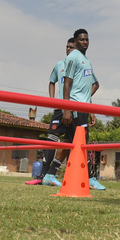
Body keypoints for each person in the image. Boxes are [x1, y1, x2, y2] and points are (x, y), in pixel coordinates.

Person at [43, 31, 102, 189]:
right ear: (75, 42)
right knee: (77, 141)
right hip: (72, 106)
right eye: (81, 40)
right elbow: (66, 84)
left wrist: (89, 106)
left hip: (82, 106)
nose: (85, 42)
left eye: (87, 39)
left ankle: (50, 174)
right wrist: (66, 108)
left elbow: (94, 84)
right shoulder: (72, 58)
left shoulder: (87, 61)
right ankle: (88, 178)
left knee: (70, 141)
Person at [27, 37, 75, 186]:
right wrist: (52, 99)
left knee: (69, 142)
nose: (68, 49)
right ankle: (41, 177)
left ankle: (53, 174)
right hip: (60, 109)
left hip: (76, 109)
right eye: (67, 47)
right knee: (51, 139)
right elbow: (51, 82)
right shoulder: (59, 65)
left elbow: (91, 86)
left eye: (71, 47)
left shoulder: (80, 65)